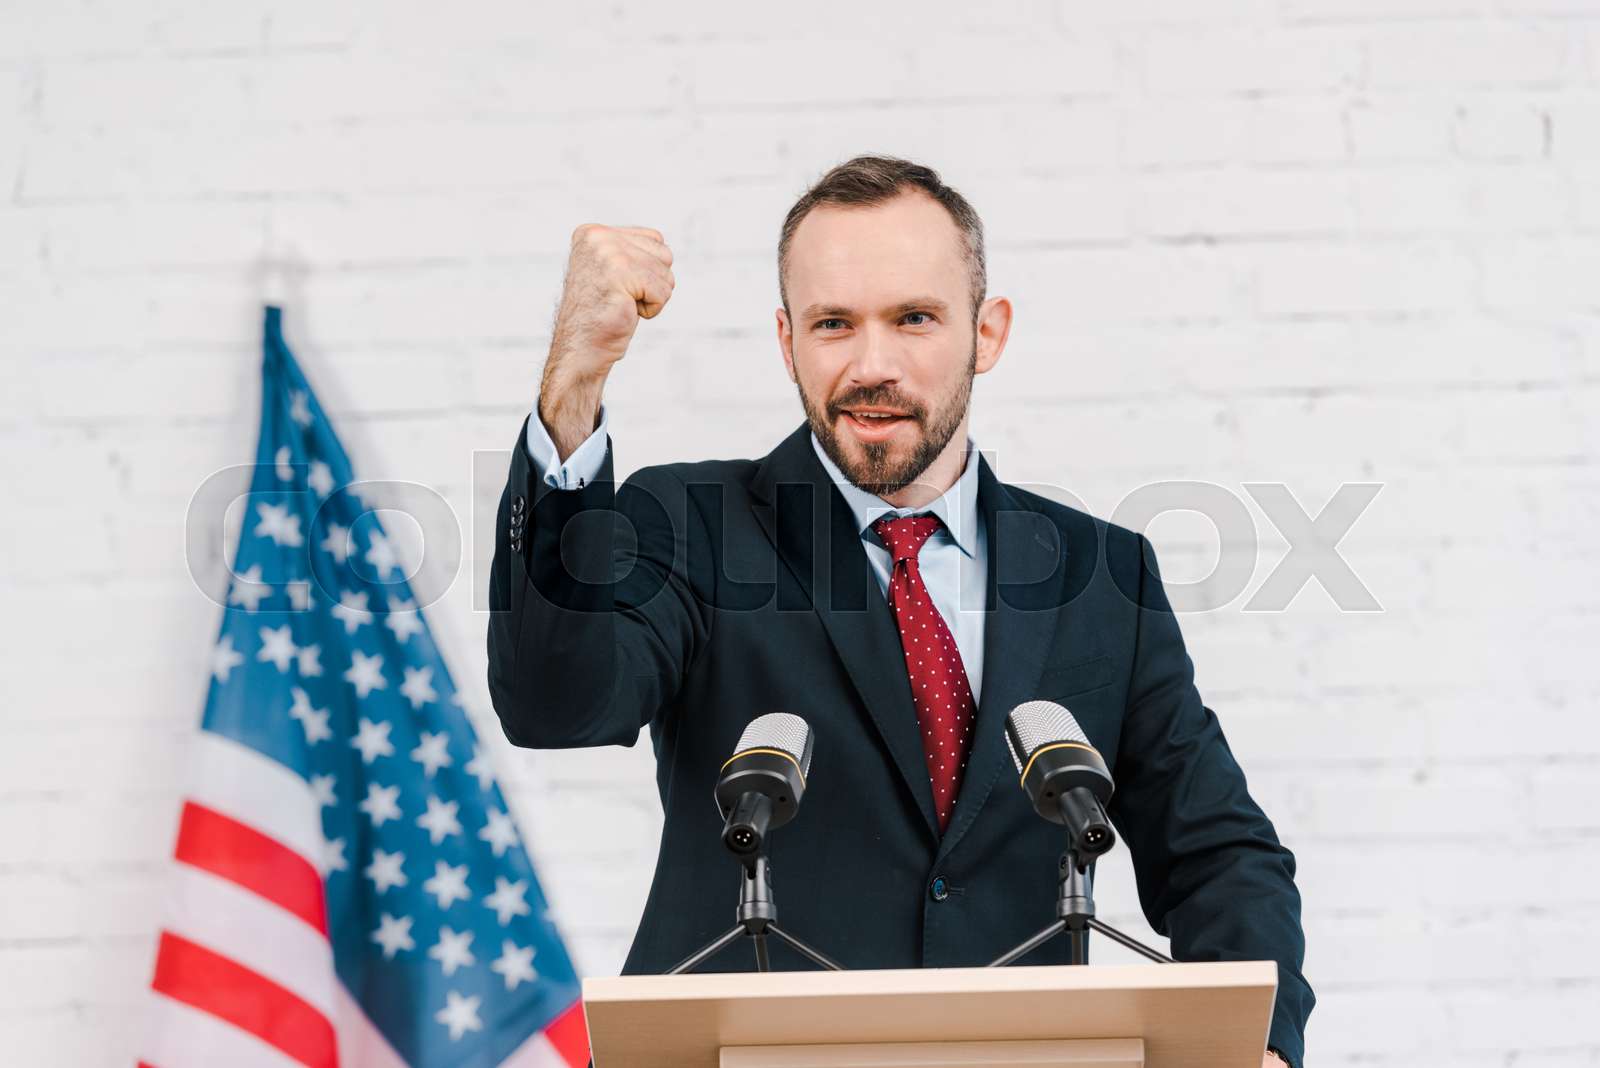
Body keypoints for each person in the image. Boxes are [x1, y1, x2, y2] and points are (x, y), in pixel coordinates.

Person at [486, 155, 1312, 1067]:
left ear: (986, 333)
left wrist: (1257, 1046)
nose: (870, 366)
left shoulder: (1102, 572)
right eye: (832, 324)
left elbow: (1218, 852)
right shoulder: (688, 526)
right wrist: (573, 389)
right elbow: (553, 705)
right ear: (786, 339)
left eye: (914, 318)